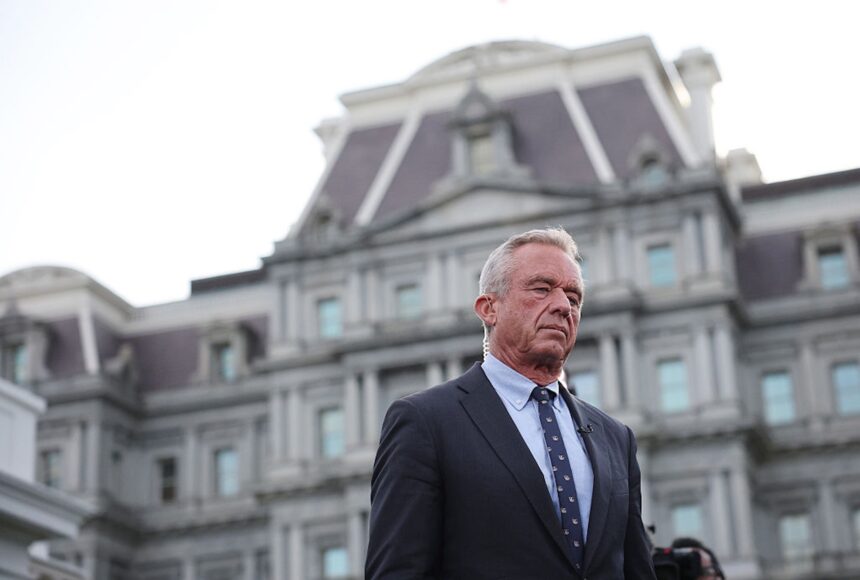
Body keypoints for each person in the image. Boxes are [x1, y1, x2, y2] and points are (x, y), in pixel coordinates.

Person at [366, 228, 656, 579]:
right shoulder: (426, 422)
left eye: (574, 297)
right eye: (541, 289)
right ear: (489, 309)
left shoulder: (616, 438)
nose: (563, 306)